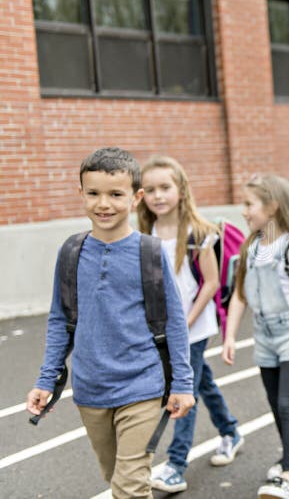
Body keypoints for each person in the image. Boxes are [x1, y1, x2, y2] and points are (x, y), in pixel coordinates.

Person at [26, 147, 195, 499]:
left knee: (130, 485)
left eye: (116, 194)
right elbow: (60, 319)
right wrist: (47, 379)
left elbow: (175, 322)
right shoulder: (71, 251)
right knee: (115, 475)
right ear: (81, 194)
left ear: (135, 198)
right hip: (91, 390)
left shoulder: (150, 252)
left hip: (143, 385)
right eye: (94, 193)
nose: (104, 204)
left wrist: (182, 382)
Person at [138, 156, 243, 493]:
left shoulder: (198, 233)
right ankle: (231, 430)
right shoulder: (145, 234)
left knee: (182, 391)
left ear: (181, 190)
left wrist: (185, 322)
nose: (158, 196)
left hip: (193, 329)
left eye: (165, 187)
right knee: (201, 383)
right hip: (164, 329)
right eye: (150, 189)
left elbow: (210, 283)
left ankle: (176, 464)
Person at [222, 173, 289, 499]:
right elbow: (239, 295)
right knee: (273, 402)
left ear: (272, 207)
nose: (244, 211)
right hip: (264, 335)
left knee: (286, 402)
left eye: (249, 204)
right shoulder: (252, 247)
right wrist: (229, 336)